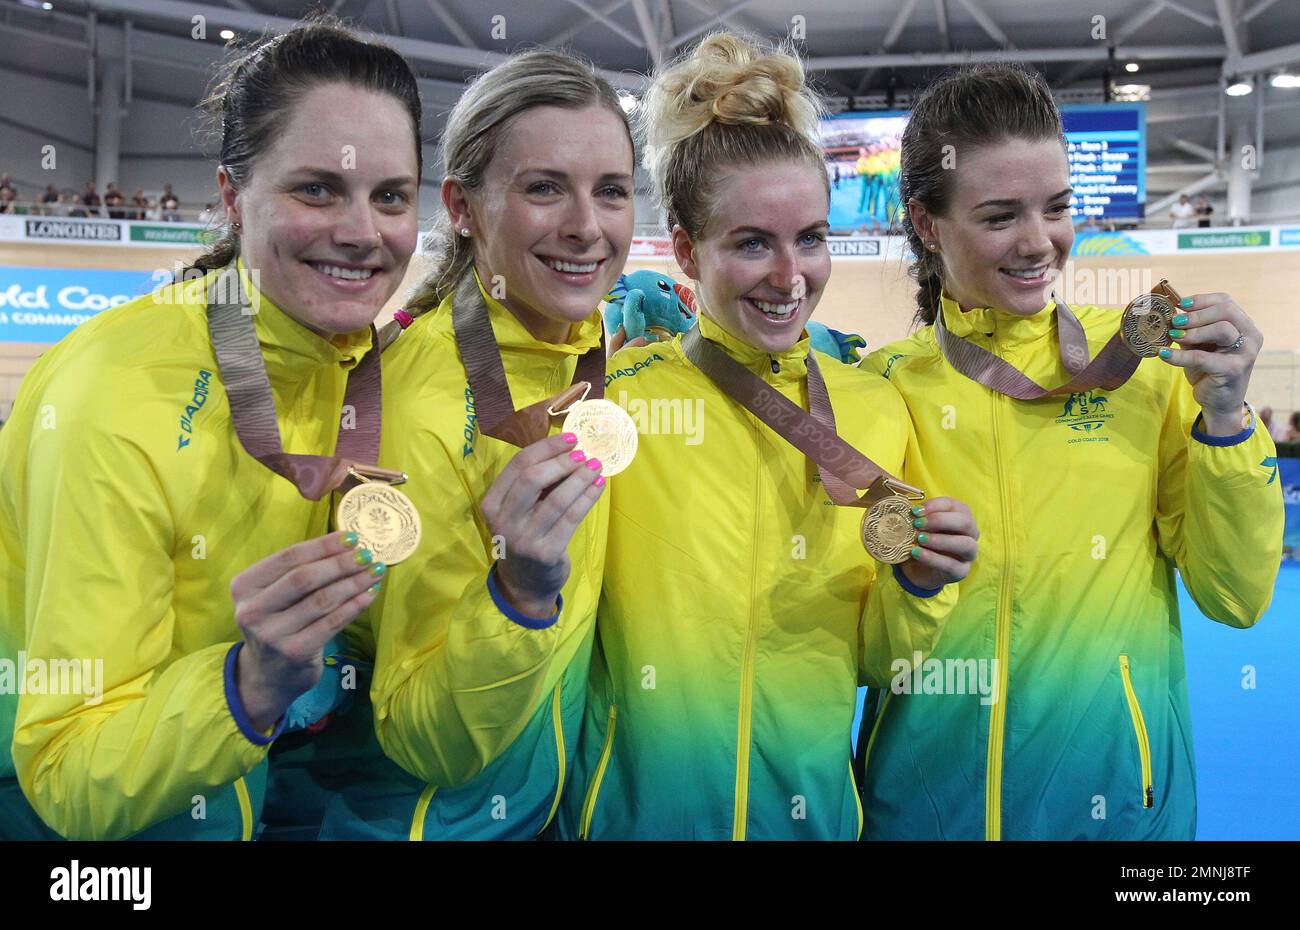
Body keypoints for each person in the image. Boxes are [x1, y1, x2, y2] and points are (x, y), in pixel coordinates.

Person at [0, 15, 423, 840]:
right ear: (233, 198)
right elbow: (65, 767)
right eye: (317, 189)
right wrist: (249, 685)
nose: (363, 232)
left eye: (390, 196)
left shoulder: (351, 358)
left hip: (241, 793)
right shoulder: (113, 400)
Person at [557, 34, 978, 841]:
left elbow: (875, 660)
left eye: (810, 238)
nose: (791, 277)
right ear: (686, 249)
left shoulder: (878, 410)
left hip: (811, 819)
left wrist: (921, 589)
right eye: (752, 242)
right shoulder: (614, 412)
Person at [859, 64, 1283, 840]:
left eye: (1056, 208)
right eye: (999, 216)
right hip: (922, 813)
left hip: (1118, 812)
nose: (1038, 242)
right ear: (926, 223)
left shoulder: (1144, 370)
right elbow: (855, 647)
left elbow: (1238, 596)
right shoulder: (879, 390)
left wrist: (1226, 420)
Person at [318, 48, 633, 840]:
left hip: (549, 816)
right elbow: (424, 736)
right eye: (543, 188)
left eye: (612, 192)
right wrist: (518, 600)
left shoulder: (591, 348)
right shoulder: (414, 408)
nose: (587, 227)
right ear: (462, 206)